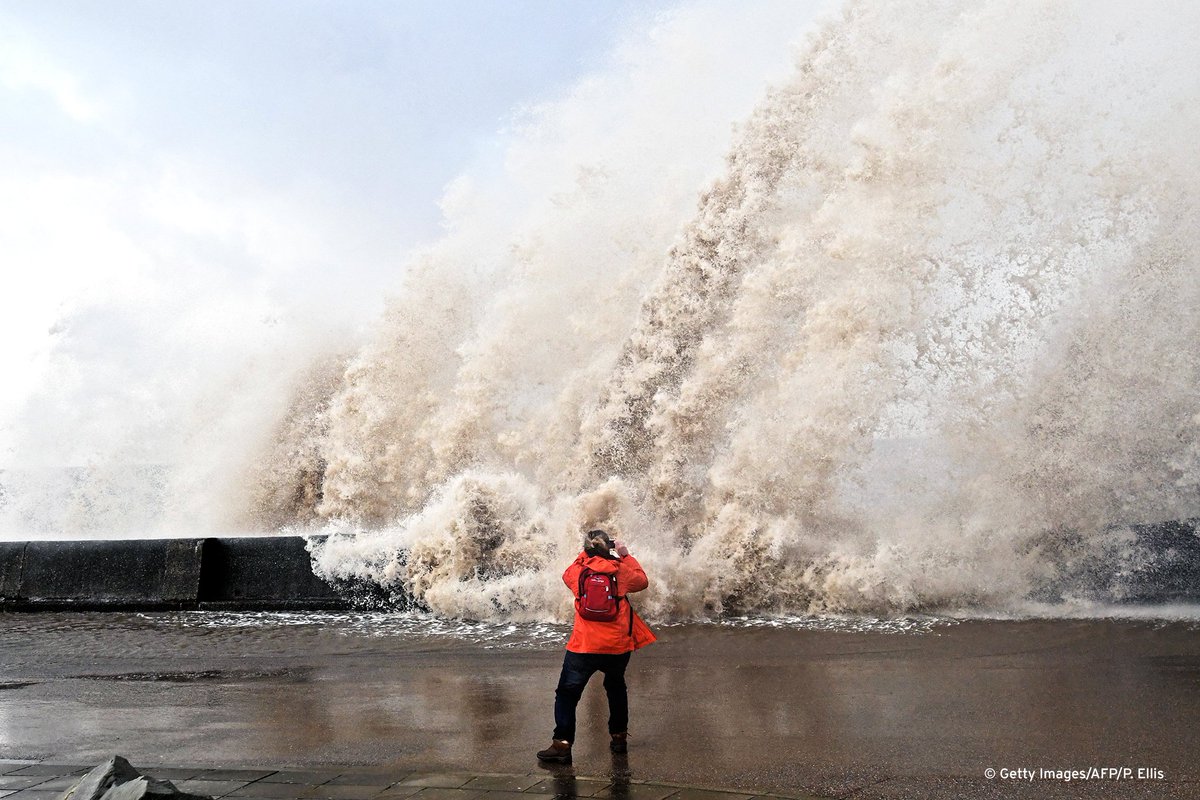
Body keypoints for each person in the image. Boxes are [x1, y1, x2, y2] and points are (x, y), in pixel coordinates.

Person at [536, 529, 656, 764]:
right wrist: (624, 554)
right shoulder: (620, 571)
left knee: (567, 694)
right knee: (615, 688)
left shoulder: (579, 571)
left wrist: (586, 554)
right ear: (608, 548)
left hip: (583, 646)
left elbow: (565, 574)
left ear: (587, 548)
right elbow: (642, 581)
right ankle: (619, 738)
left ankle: (561, 745)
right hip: (616, 646)